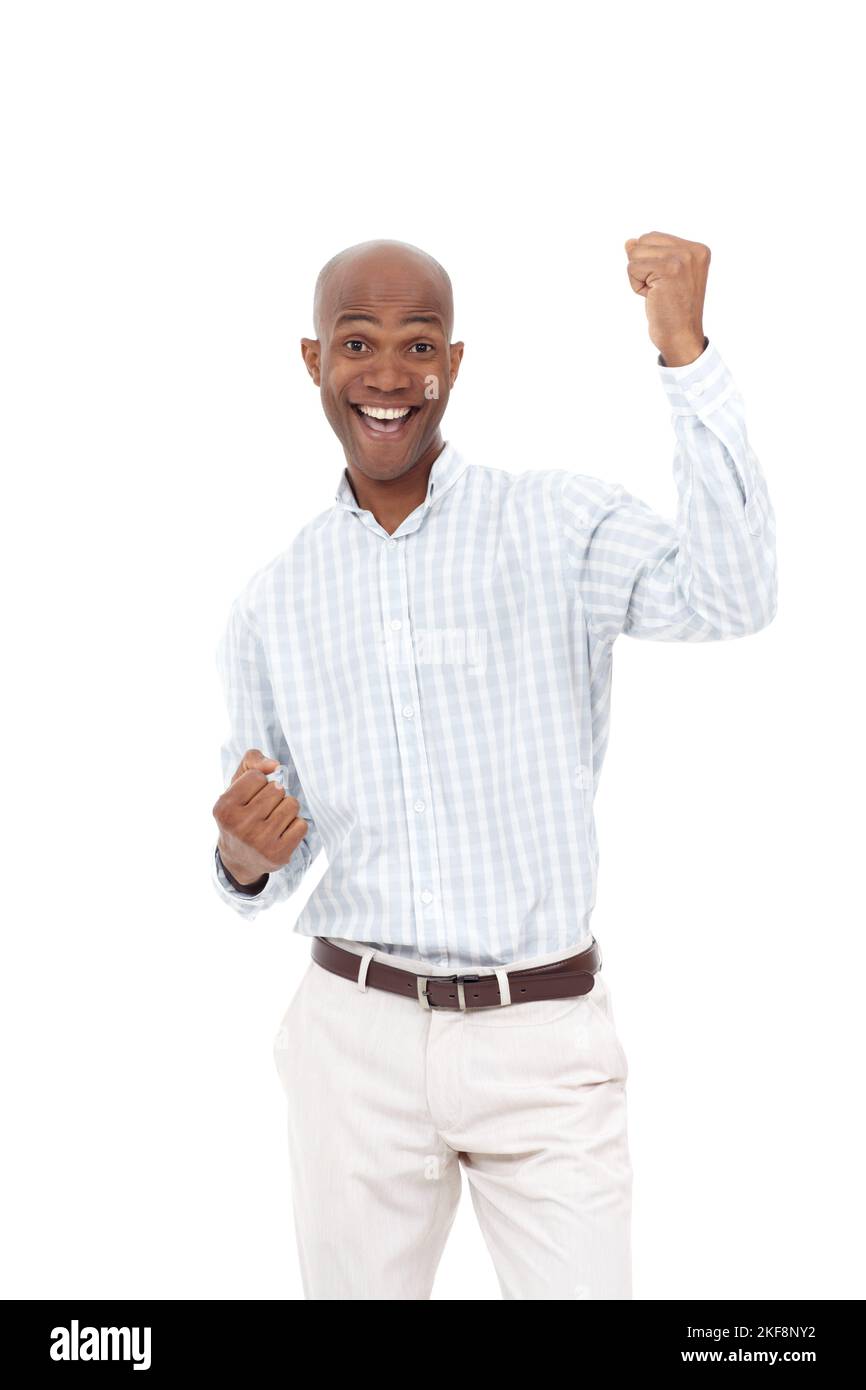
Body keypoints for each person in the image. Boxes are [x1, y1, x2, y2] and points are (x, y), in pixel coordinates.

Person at [210, 233, 777, 1300]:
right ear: (312, 360)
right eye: (356, 342)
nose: (386, 375)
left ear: (454, 363)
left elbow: (733, 595)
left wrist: (684, 355)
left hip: (542, 1047)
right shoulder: (273, 600)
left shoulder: (554, 524)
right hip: (353, 1045)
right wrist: (242, 857)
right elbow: (268, 857)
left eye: (416, 344)